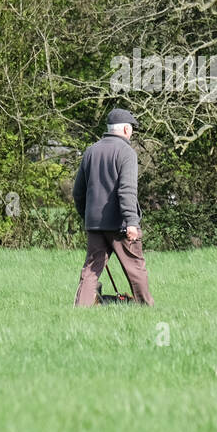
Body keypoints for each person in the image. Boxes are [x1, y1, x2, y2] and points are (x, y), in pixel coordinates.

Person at [72, 108, 155, 306]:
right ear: (126, 129)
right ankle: (146, 308)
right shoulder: (126, 152)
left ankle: (78, 310)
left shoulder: (91, 151)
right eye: (132, 129)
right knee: (135, 267)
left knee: (91, 270)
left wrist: (87, 216)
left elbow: (78, 192)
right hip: (120, 225)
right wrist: (132, 222)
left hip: (95, 224)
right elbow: (126, 191)